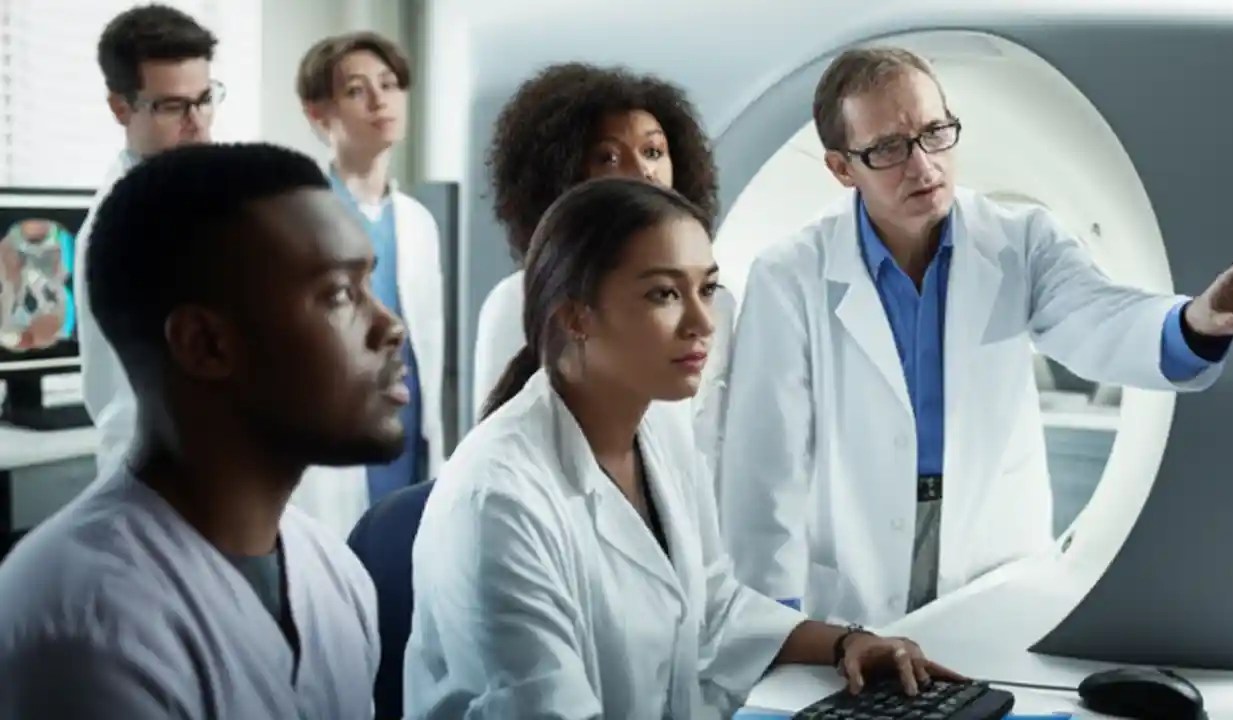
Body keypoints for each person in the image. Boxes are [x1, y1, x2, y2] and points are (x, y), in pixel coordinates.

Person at [718, 46, 1233, 629]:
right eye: (888, 148)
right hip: (849, 561)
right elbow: (766, 464)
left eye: (935, 132)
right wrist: (775, 627)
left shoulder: (1021, 240)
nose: (923, 166)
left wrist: (1197, 322)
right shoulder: (789, 274)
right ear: (841, 168)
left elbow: (1099, 318)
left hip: (986, 547)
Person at [404, 177, 960, 720]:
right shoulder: (499, 506)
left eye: (707, 288)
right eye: (664, 294)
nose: (703, 322)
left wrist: (847, 643)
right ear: (575, 316)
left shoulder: (658, 427)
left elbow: (710, 606)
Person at [0, 143, 397, 718]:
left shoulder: (334, 577)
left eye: (369, 287)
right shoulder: (85, 633)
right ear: (206, 344)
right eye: (340, 294)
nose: (389, 325)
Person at [473, 62, 734, 475]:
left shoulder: (713, 301)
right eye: (609, 156)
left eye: (653, 152)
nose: (643, 169)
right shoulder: (516, 302)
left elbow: (713, 447)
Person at [294, 31, 446, 538]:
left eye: (390, 84)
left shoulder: (418, 222)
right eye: (358, 90)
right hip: (333, 434)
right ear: (319, 114)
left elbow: (426, 348)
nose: (381, 99)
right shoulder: (300, 214)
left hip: (407, 426)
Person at [74, 3, 222, 477]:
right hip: (165, 488)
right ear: (121, 108)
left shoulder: (204, 196)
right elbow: (127, 408)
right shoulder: (120, 232)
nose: (197, 121)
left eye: (205, 98)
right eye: (173, 106)